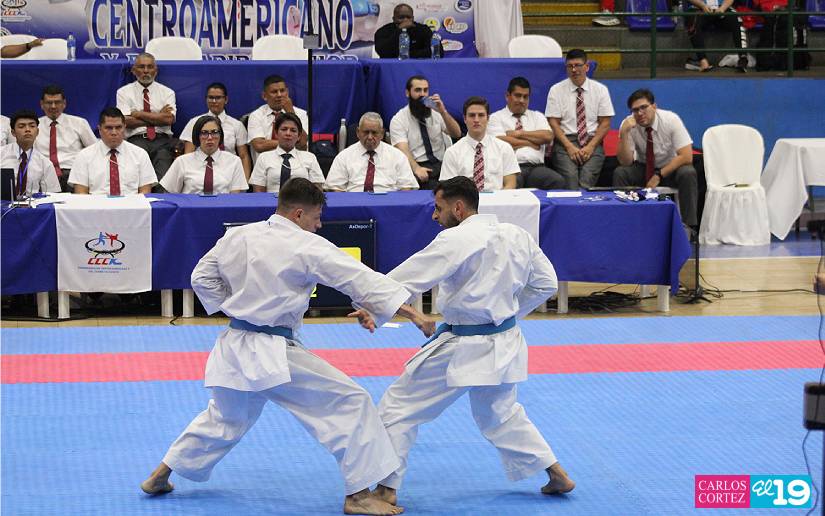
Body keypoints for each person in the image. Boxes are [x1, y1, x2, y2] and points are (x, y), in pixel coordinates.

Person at [140, 177, 434, 516]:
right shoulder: (307, 245)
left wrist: (237, 306)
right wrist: (412, 312)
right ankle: (358, 495)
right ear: (298, 214)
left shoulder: (238, 234)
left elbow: (200, 277)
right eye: (316, 217)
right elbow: (363, 280)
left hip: (233, 344)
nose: (319, 224)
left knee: (225, 417)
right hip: (272, 351)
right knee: (351, 402)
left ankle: (160, 474)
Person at [350, 176, 575, 506]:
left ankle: (386, 489)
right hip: (506, 341)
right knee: (500, 414)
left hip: (463, 347)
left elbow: (411, 274)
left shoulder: (455, 239)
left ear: (458, 207)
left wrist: (371, 305)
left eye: (439, 208)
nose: (434, 216)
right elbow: (546, 284)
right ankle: (556, 473)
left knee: (398, 409)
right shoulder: (517, 235)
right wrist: (507, 313)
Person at [613, 88, 698, 226]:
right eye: (635, 110)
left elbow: (687, 156)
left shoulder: (671, 119)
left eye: (644, 107)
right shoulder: (628, 124)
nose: (640, 113)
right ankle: (625, 222)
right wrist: (623, 133)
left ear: (654, 106)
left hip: (670, 168)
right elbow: (625, 162)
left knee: (688, 172)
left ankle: (690, 226)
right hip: (644, 167)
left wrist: (659, 175)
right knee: (621, 173)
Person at [545, 49, 614, 190]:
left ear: (587, 66)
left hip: (592, 142)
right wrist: (569, 147)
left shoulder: (600, 90)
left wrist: (590, 146)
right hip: (565, 142)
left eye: (578, 65)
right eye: (570, 66)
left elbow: (605, 123)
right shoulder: (556, 90)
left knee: (587, 178)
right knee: (570, 179)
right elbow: (553, 122)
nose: (574, 69)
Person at [488, 77, 565, 190]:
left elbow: (548, 136)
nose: (522, 100)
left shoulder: (537, 116)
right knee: (510, 185)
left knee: (557, 181)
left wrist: (518, 134)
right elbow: (499, 142)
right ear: (507, 96)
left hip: (536, 168)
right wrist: (531, 143)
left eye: (525, 97)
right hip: (509, 168)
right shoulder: (496, 117)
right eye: (518, 95)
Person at [389, 75, 461, 190]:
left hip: (441, 164)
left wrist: (443, 112)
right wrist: (417, 168)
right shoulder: (398, 119)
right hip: (417, 166)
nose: (422, 94)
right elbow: (402, 150)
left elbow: (456, 133)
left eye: (425, 90)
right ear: (408, 93)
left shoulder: (436, 112)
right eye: (417, 90)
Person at [69, 107, 157, 195]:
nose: (114, 132)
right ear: (99, 129)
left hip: (131, 206)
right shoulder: (84, 156)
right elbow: (81, 193)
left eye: (118, 127)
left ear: (125, 127)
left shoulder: (140, 154)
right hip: (96, 207)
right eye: (108, 128)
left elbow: (145, 192)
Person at [116, 53, 176, 180]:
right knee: (136, 180)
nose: (146, 71)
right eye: (141, 67)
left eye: (150, 67)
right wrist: (158, 116)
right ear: (133, 70)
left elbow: (169, 120)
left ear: (156, 70)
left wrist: (138, 114)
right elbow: (126, 122)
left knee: (164, 181)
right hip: (136, 140)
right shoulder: (123, 92)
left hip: (162, 141)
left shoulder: (167, 92)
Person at [440, 97, 519, 191]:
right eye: (472, 115)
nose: (476, 120)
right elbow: (448, 188)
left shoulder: (504, 148)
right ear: (465, 119)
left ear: (488, 118)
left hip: (497, 202)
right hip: (465, 203)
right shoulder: (452, 152)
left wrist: (499, 201)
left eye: (481, 115)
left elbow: (510, 183)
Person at [325, 113, 418, 193]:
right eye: (366, 132)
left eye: (374, 133)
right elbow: (335, 188)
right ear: (357, 132)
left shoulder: (397, 156)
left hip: (388, 205)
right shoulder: (344, 157)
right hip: (354, 205)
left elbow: (407, 187)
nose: (370, 137)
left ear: (382, 134)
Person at [179, 83, 252, 180]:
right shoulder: (194, 122)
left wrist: (244, 182)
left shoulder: (236, 125)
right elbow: (188, 154)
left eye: (218, 98)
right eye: (210, 97)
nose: (214, 101)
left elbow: (244, 156)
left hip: (229, 172)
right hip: (200, 172)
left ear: (226, 100)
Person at [160, 116, 247, 194]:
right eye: (204, 133)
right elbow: (169, 195)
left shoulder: (234, 161)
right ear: (197, 136)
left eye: (214, 132)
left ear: (221, 136)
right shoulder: (182, 162)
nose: (210, 138)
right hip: (190, 210)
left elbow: (236, 198)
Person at [35, 84, 97, 192]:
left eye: (57, 102)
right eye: (49, 103)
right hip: (44, 173)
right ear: (41, 104)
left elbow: (95, 150)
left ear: (64, 104)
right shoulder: (34, 125)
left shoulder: (79, 123)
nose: (53, 106)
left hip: (73, 172)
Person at [250, 113, 324, 193]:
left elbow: (318, 191)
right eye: (284, 129)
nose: (288, 133)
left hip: (302, 203)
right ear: (276, 133)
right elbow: (258, 193)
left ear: (299, 136)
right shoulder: (264, 158)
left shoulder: (310, 158)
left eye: (293, 130)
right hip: (271, 204)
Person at [0, 110, 61, 197]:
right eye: (21, 126)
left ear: (37, 132)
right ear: (13, 133)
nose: (28, 130)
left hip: (32, 208)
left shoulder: (45, 163)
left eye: (32, 126)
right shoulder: (1, 154)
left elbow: (53, 196)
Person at [247, 75, 309, 155]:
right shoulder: (256, 115)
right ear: (264, 96)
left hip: (295, 164)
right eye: (274, 92)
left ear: (287, 92)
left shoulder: (301, 114)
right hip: (266, 165)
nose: (279, 95)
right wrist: (291, 141)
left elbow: (303, 144)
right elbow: (259, 145)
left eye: (282, 91)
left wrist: (291, 113)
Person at [685, 0, 749, 72]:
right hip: (698, 8)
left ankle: (743, 58)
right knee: (692, 19)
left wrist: (722, 8)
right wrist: (702, 5)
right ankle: (703, 61)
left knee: (737, 19)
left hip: (722, 8)